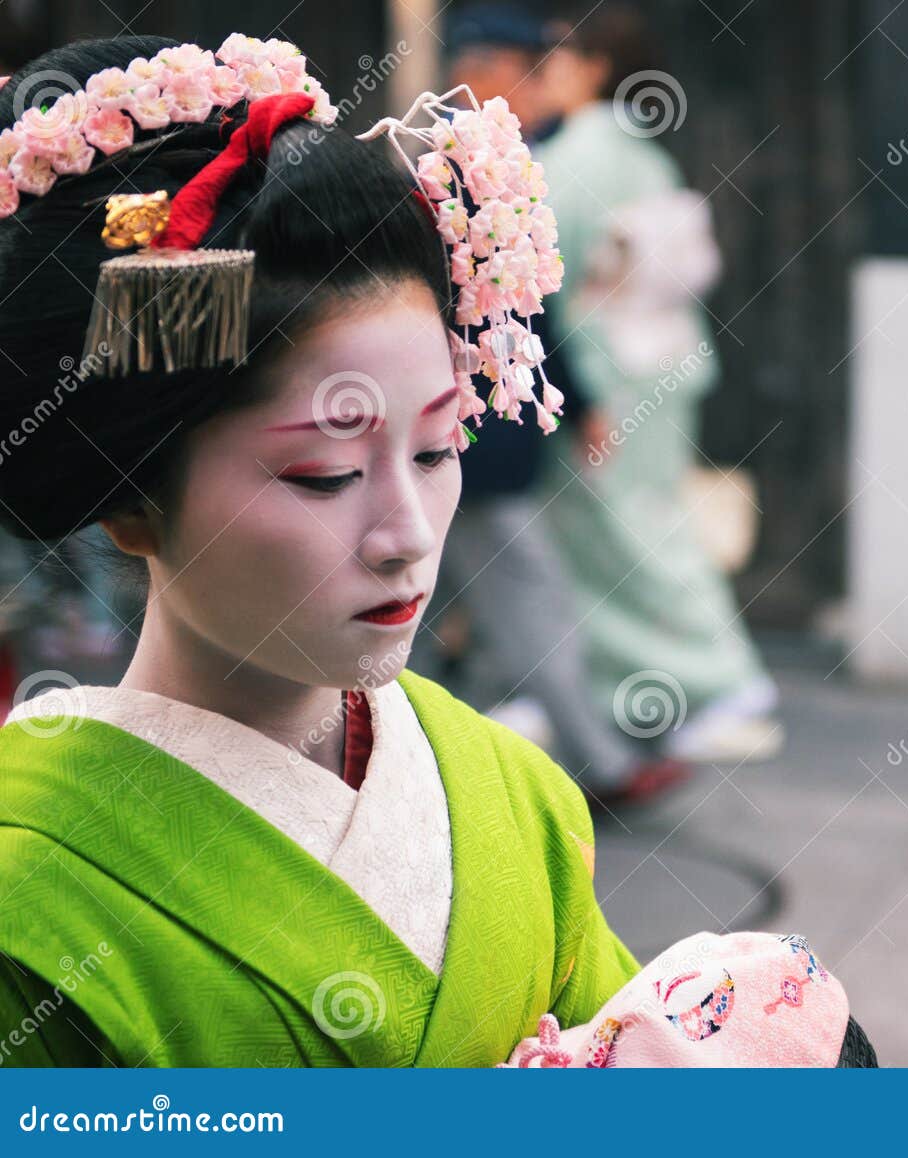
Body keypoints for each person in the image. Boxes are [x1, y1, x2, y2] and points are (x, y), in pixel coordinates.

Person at [0, 34, 641, 1066]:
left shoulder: (516, 798)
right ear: (132, 499)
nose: (408, 535)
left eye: (437, 448)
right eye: (325, 475)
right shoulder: (29, 902)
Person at [410, 2, 689, 808]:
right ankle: (604, 765)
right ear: (486, 74)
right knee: (523, 599)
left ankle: (403, 767)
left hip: (473, 431)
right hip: (471, 432)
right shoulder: (451, 170)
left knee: (429, 611)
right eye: (532, 73)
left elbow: (532, 309)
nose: (544, 92)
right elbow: (506, 315)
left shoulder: (496, 163)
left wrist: (577, 401)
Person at [523, 3, 786, 765]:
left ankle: (718, 681)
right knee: (639, 523)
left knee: (624, 533)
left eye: (557, 56)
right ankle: (626, 690)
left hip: (609, 369)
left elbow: (554, 274)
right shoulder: (644, 154)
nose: (544, 70)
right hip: (660, 361)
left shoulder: (574, 156)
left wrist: (580, 389)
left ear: (595, 66)